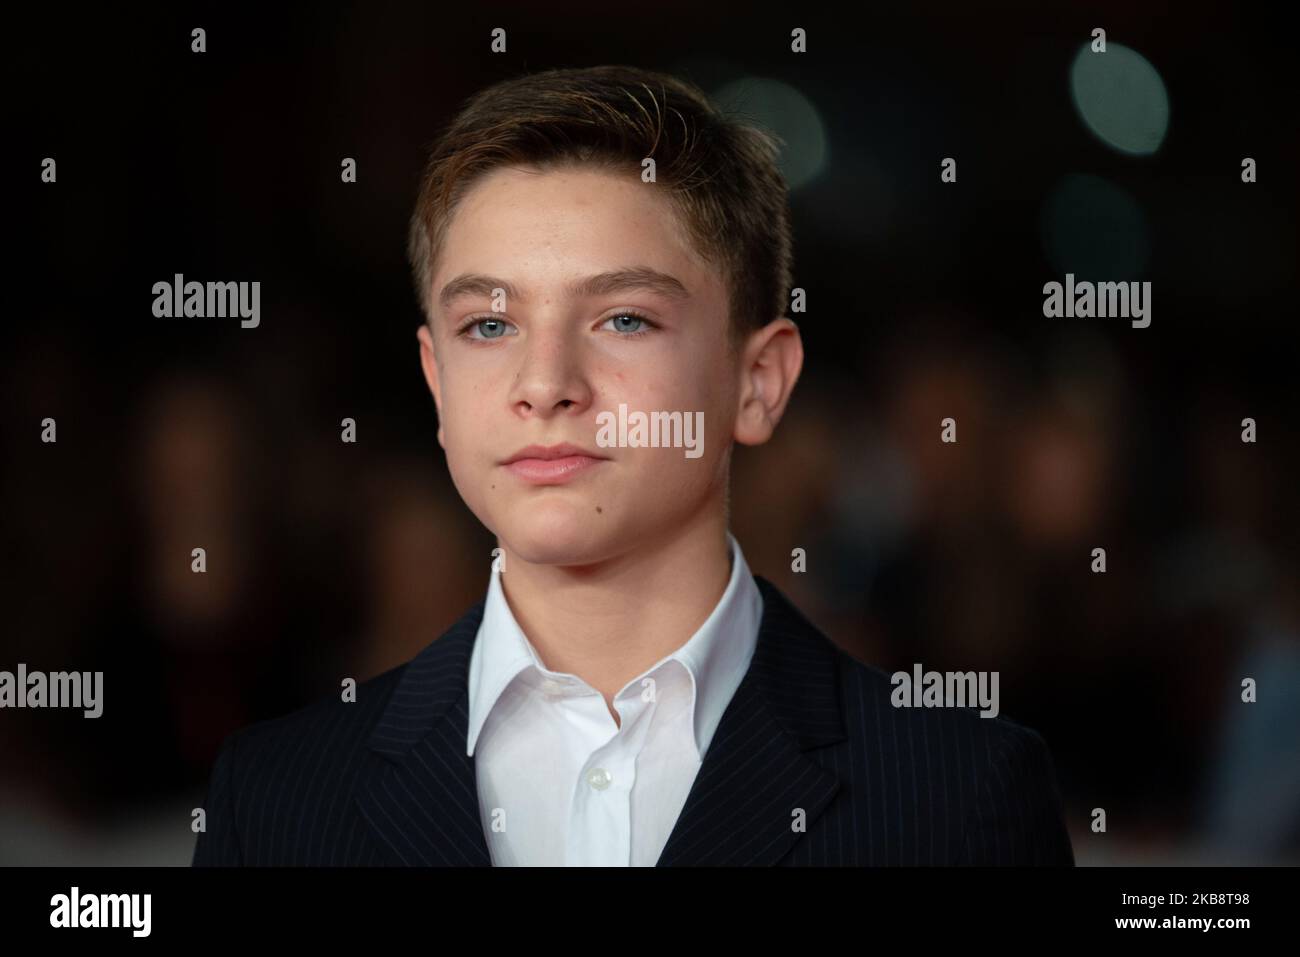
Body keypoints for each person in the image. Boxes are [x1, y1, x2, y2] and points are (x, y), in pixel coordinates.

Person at [192, 64, 1073, 867]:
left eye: (623, 319)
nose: (545, 386)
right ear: (436, 380)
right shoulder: (276, 801)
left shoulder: (958, 798)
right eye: (489, 325)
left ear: (757, 382)